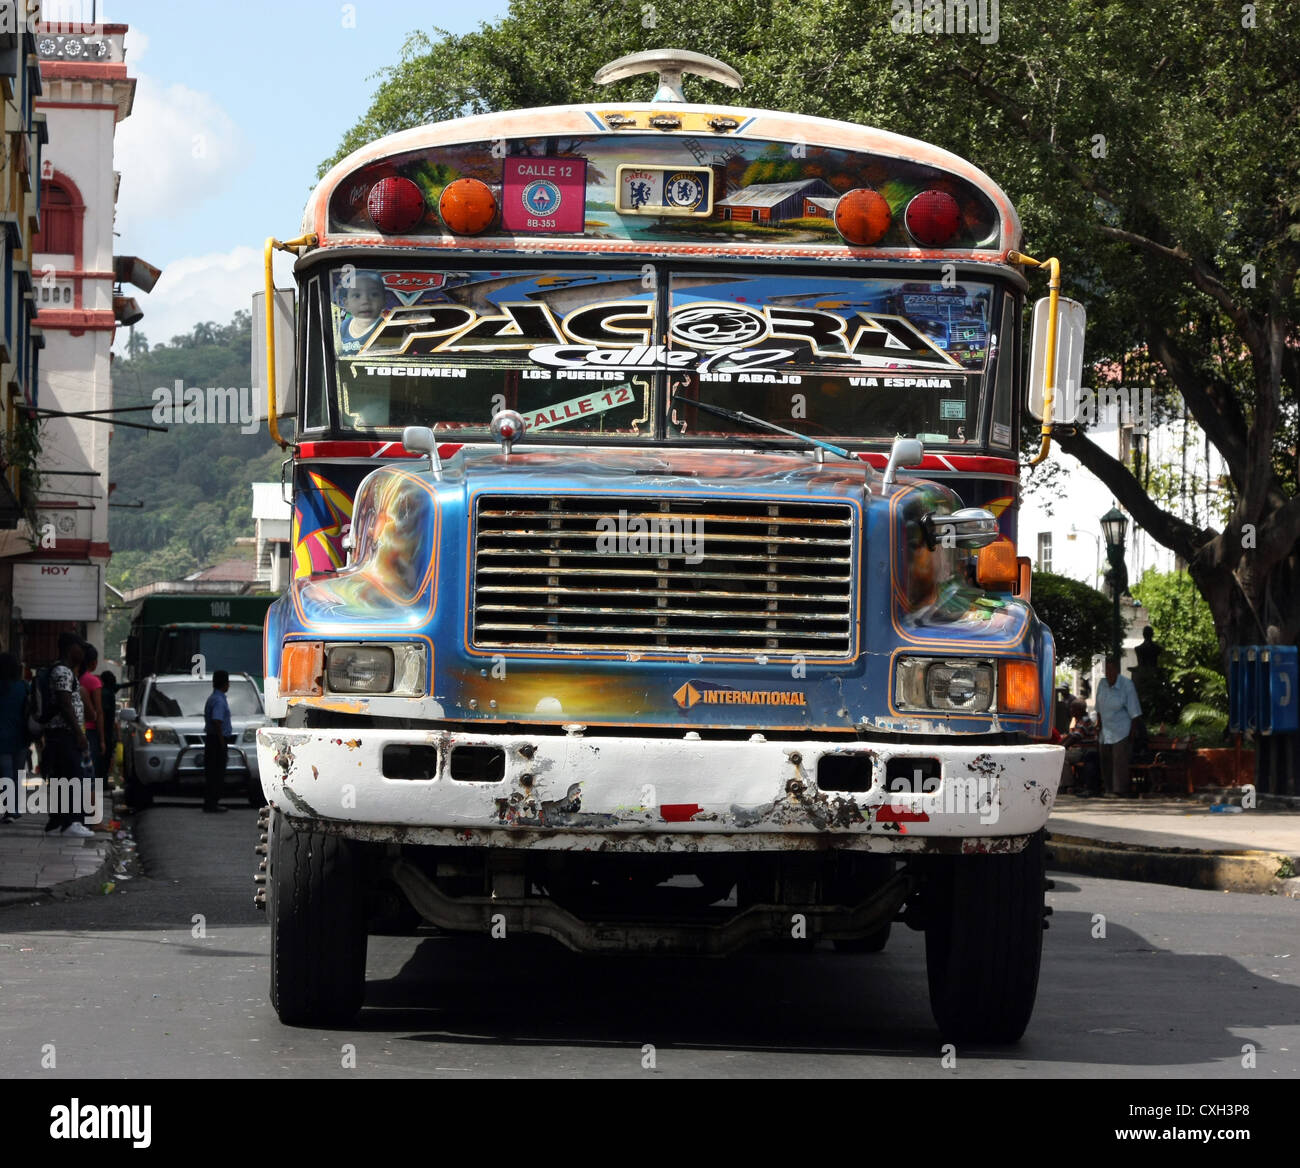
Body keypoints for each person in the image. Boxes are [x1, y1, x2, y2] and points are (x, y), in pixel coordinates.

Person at [43, 632, 92, 836]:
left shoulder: (62, 670)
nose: (82, 652)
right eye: (80, 647)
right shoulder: (63, 671)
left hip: (60, 733)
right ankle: (71, 822)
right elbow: (65, 703)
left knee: (62, 777)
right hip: (65, 733)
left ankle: (58, 821)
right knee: (73, 777)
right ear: (71, 648)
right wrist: (78, 733)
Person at [1095, 655, 1144, 798]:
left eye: (1111, 668)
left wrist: (1132, 733)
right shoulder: (1102, 684)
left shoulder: (1127, 685)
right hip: (1106, 731)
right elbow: (1098, 708)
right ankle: (1108, 789)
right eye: (1106, 669)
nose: (1108, 672)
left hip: (1122, 731)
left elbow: (1135, 712)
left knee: (1119, 761)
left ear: (1117, 669)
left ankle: (1119, 790)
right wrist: (1098, 726)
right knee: (1105, 760)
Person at [78, 644, 108, 830]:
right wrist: (103, 739)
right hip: (90, 733)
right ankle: (94, 819)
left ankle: (84, 816)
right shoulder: (93, 681)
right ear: (94, 662)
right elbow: (99, 712)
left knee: (79, 775)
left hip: (76, 731)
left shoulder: (76, 678)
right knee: (91, 776)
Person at [202, 671, 234, 814]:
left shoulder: (214, 698)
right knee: (216, 773)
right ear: (225, 684)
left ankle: (210, 802)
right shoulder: (219, 700)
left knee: (212, 772)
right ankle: (212, 804)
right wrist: (222, 743)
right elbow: (217, 720)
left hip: (212, 739)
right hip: (216, 740)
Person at [0, 652, 27, 822]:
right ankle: (13, 809)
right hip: (21, 737)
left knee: (5, 774)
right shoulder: (23, 686)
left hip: (1, 738)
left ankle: (10, 808)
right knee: (17, 775)